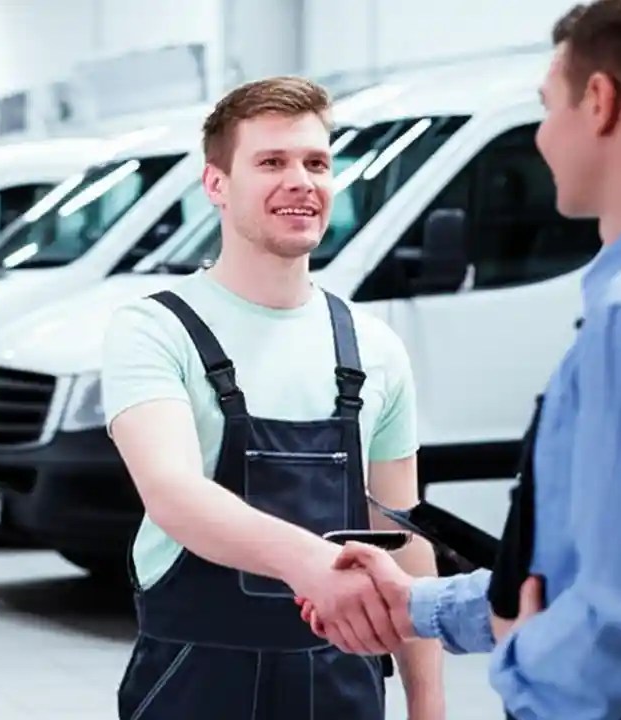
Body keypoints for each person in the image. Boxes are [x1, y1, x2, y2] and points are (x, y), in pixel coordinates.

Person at [297, 0, 621, 717]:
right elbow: (581, 571)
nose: (541, 136)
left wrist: (521, 657)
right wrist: (418, 605)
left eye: (547, 107)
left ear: (600, 103)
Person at [101, 77, 445, 719]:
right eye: (271, 162)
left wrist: (427, 702)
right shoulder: (154, 329)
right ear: (216, 185)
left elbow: (400, 532)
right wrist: (311, 564)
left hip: (341, 683)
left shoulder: (373, 349)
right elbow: (174, 493)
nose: (301, 181)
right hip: (194, 677)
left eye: (316, 163)